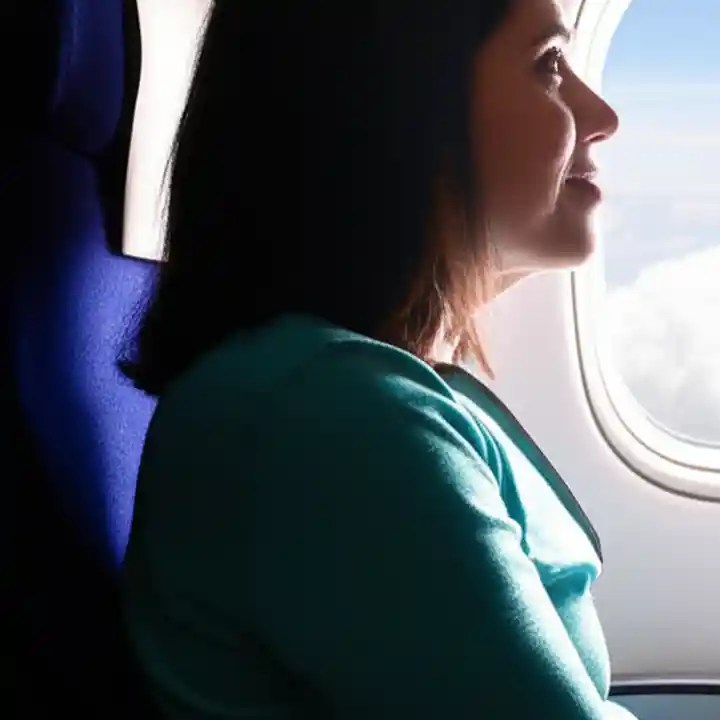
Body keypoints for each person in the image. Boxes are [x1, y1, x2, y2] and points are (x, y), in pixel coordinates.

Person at [117, 0, 632, 716]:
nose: (602, 114)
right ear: (408, 106)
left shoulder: (361, 392)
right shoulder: (327, 418)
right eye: (548, 65)